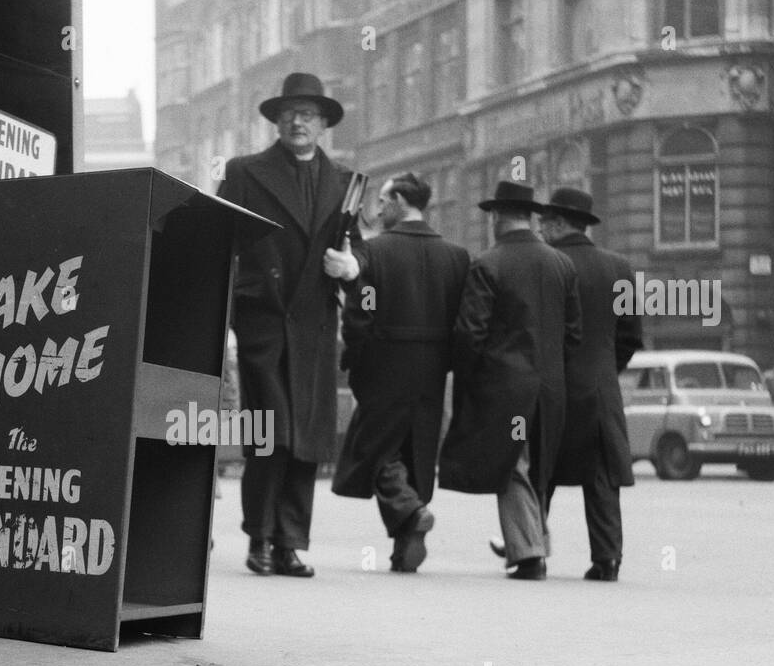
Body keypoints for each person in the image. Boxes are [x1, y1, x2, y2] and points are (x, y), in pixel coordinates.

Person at [217, 73, 351, 576]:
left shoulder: (344, 181)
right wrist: (228, 315)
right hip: (265, 321)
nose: (299, 122)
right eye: (290, 113)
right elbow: (221, 244)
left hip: (316, 323)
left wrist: (353, 265)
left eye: (309, 114)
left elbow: (351, 243)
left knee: (309, 436)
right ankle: (260, 538)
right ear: (277, 120)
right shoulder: (246, 172)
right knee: (270, 432)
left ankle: (290, 543)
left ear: (323, 125)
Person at [324, 173, 469, 571]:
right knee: (416, 449)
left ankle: (409, 510)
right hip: (434, 367)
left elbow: (361, 309)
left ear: (402, 200)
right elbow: (465, 318)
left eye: (384, 200)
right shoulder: (456, 257)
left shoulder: (377, 252)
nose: (378, 208)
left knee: (373, 448)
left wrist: (354, 353)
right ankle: (406, 539)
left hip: (384, 362)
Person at [438, 181, 581, 580]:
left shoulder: (488, 264)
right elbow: (574, 333)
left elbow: (471, 332)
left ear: (498, 217)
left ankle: (530, 553)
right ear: (531, 216)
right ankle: (537, 541)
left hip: (507, 389)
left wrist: (468, 376)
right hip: (550, 387)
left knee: (512, 465)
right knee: (537, 465)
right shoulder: (561, 264)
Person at [536, 188, 643, 581]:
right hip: (599, 389)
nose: (541, 228)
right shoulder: (620, 268)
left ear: (561, 223)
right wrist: (604, 369)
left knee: (541, 469)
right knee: (601, 477)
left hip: (552, 385)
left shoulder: (548, 263)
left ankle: (531, 551)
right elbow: (632, 336)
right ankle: (607, 559)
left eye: (545, 222)